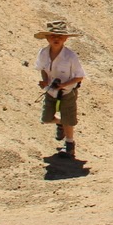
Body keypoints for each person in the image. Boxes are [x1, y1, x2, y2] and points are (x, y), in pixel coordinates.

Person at [34, 20, 86, 158]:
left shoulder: (70, 56)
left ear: (65, 39)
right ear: (47, 38)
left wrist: (64, 85)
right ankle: (61, 123)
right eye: (53, 36)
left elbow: (80, 76)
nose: (56, 39)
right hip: (51, 90)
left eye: (60, 36)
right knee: (46, 118)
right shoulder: (43, 53)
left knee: (69, 119)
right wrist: (45, 81)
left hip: (67, 91)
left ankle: (69, 145)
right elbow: (43, 69)